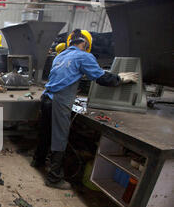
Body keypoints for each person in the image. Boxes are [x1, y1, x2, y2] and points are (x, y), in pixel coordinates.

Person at [31, 29, 138, 190]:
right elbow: (100, 77)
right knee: (59, 138)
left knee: (45, 132)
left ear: (70, 42)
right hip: (59, 101)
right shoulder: (84, 56)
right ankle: (53, 178)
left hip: (46, 98)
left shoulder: (60, 56)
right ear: (86, 44)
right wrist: (119, 78)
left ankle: (37, 161)